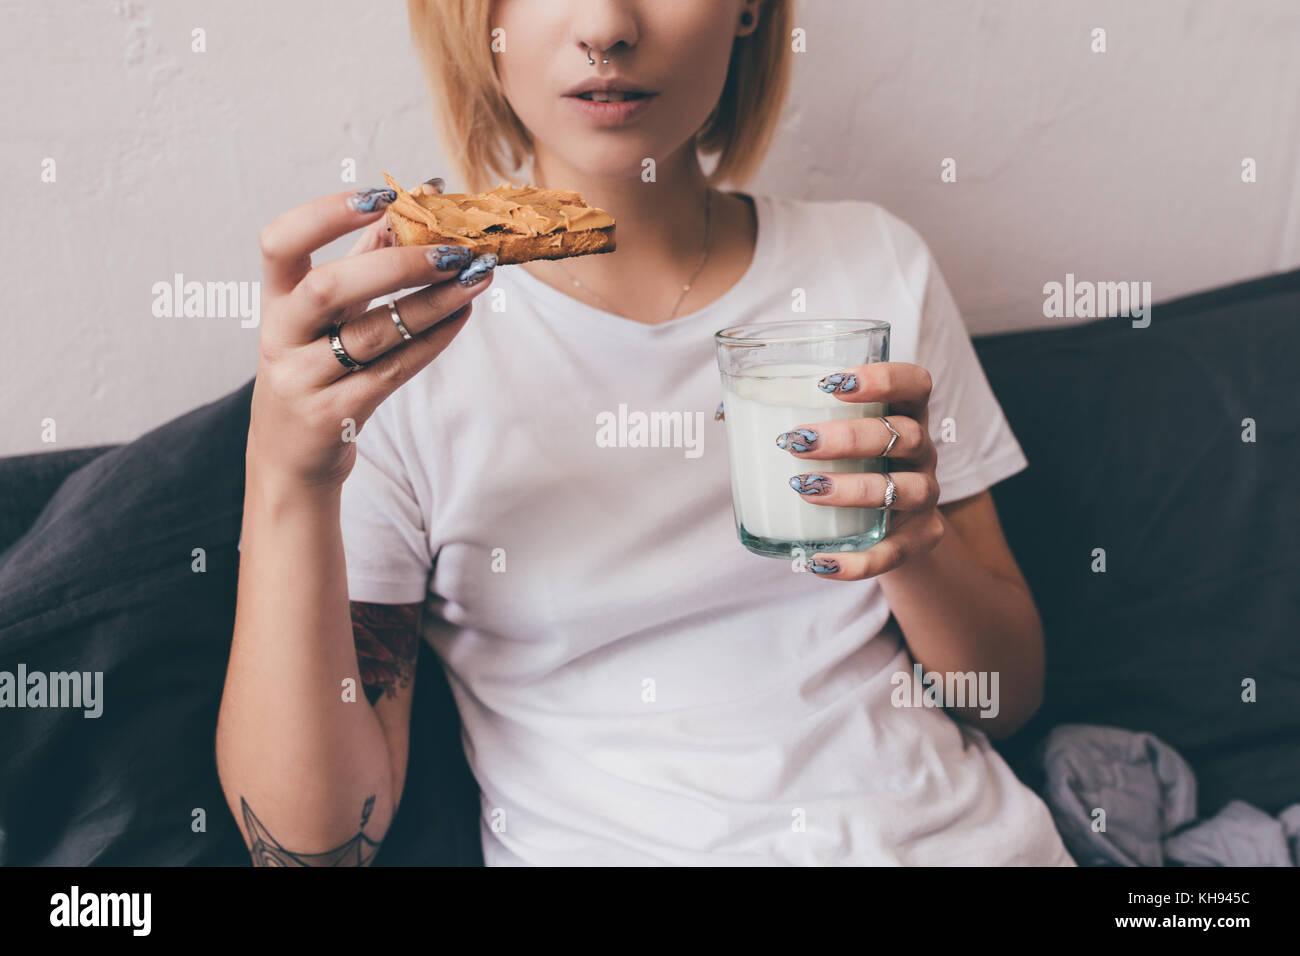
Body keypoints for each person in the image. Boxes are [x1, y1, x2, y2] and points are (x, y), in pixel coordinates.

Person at [216, 0, 1076, 866]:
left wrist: (911, 543)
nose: (606, 27)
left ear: (748, 11)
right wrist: (288, 474)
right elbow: (315, 846)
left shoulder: (872, 263)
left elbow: (1006, 699)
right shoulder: (398, 349)